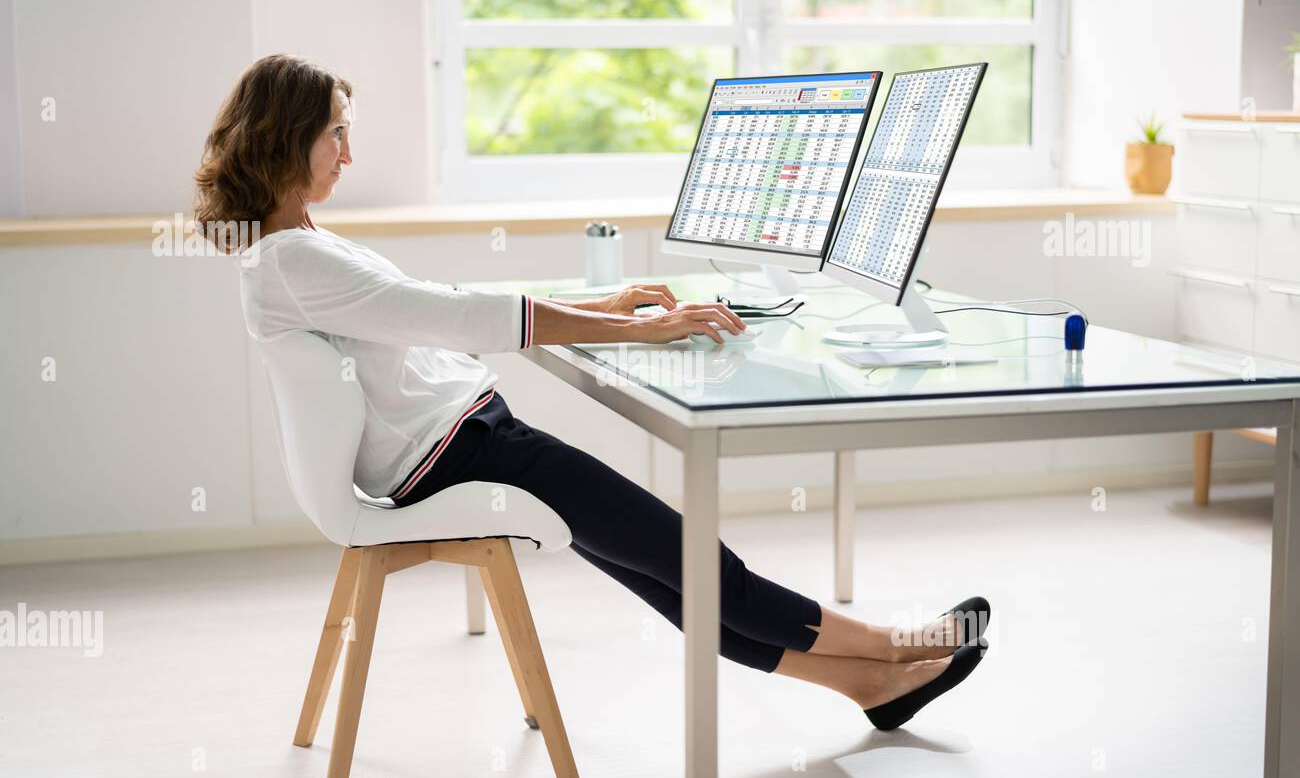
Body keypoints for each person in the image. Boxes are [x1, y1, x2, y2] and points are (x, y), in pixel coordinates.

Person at [195, 54, 989, 730]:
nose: (348, 154)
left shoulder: (291, 247)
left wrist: (603, 308)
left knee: (666, 573)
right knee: (691, 560)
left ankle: (868, 687)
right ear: (285, 136)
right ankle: (892, 644)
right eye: (337, 132)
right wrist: (639, 331)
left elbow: (430, 303)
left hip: (462, 443)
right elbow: (453, 316)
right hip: (462, 456)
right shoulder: (294, 261)